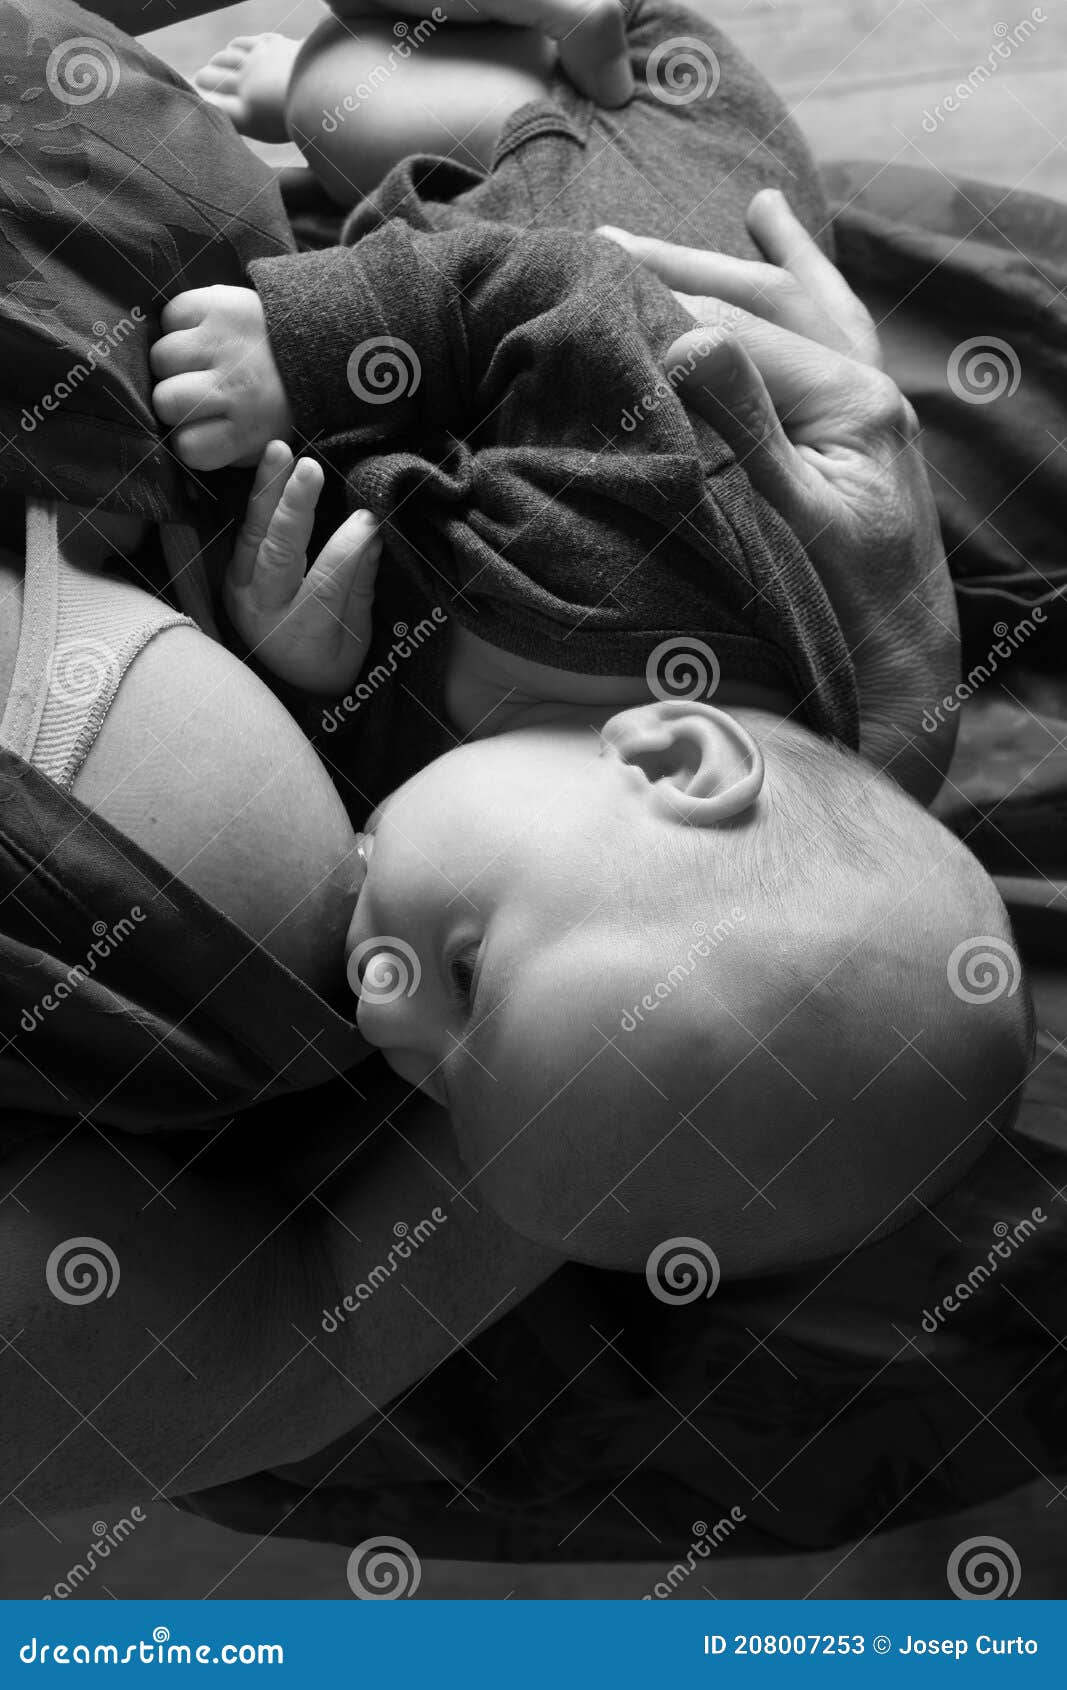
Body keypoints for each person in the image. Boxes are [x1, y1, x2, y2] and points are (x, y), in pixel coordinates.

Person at [0, 0, 1023, 1519]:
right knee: (401, 114)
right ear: (675, 755)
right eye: (468, 971)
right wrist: (320, 346)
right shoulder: (649, 535)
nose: (384, 1006)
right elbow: (555, 297)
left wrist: (312, 668)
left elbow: (392, 691)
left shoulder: (517, 826)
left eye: (449, 1097)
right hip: (601, 207)